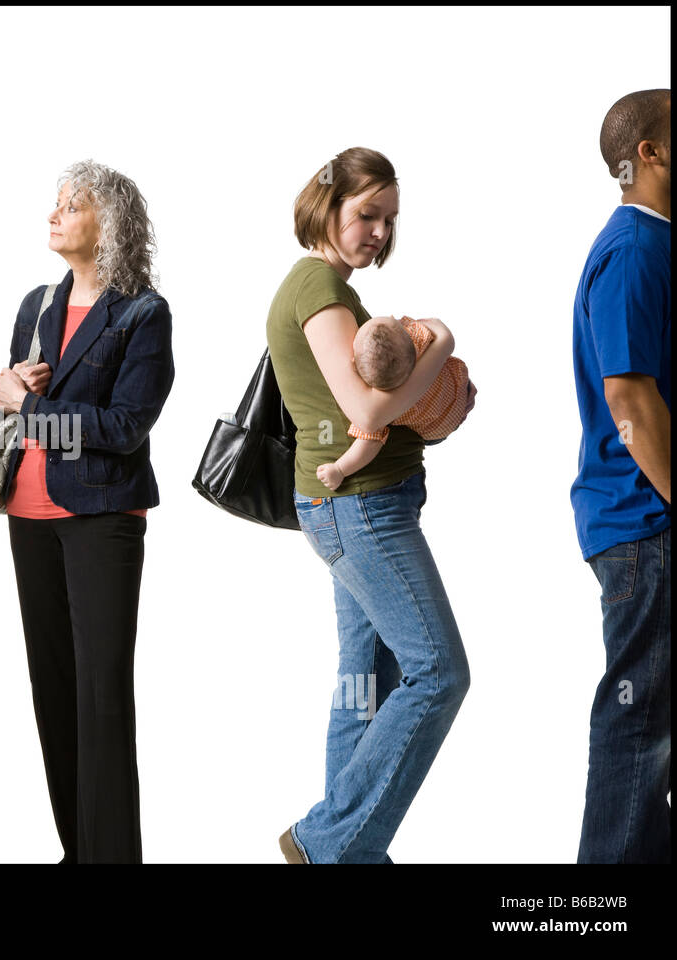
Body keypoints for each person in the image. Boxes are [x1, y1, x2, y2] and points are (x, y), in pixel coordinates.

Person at [265, 147, 474, 863]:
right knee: (440, 672)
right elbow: (363, 403)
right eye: (366, 214)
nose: (379, 232)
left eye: (389, 219)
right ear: (327, 206)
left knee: (366, 681)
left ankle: (344, 853)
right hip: (360, 510)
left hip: (357, 507)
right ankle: (327, 842)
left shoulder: (332, 287)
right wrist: (440, 345)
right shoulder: (317, 285)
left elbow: (366, 407)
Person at [0, 161, 173, 863]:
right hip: (27, 513)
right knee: (54, 691)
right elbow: (6, 400)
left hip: (102, 518)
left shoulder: (142, 315)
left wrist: (29, 406)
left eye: (72, 206)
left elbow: (123, 429)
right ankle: (77, 852)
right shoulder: (38, 303)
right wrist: (0, 386)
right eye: (55, 204)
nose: (54, 214)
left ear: (111, 225)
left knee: (101, 696)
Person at [570, 89, 671, 863]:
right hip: (647, 525)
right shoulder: (634, 249)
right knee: (638, 722)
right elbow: (627, 395)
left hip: (652, 521)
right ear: (651, 154)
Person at [317, 314, 471, 491]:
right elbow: (435, 328)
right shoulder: (417, 339)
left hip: (439, 428)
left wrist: (339, 469)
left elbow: (368, 444)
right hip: (460, 386)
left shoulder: (380, 404)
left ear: (354, 365)